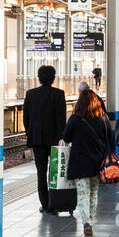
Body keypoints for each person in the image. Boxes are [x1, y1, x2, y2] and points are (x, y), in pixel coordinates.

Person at [61, 89, 113, 237]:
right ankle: (91, 220)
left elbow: (66, 137)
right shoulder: (103, 118)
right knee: (94, 193)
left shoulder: (75, 119)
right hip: (98, 163)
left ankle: (86, 223)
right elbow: (110, 138)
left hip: (80, 163)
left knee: (83, 194)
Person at [23, 65, 68, 215]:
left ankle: (45, 204)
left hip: (36, 139)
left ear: (39, 77)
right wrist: (63, 138)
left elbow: (26, 119)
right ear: (53, 78)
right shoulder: (59, 94)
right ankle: (54, 202)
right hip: (54, 139)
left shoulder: (30, 94)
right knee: (54, 172)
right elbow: (61, 120)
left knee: (40, 172)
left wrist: (31, 132)